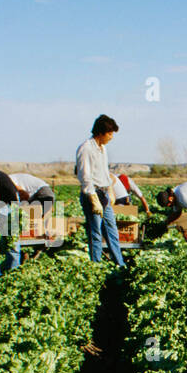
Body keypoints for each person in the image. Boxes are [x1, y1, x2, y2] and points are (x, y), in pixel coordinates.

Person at [74, 114, 124, 266]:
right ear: (100, 133)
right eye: (109, 134)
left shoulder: (103, 149)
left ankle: (119, 264)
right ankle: (96, 266)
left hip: (103, 192)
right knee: (95, 232)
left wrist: (110, 190)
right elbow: (84, 176)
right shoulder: (85, 148)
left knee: (112, 230)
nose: (111, 137)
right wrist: (93, 199)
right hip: (92, 194)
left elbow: (104, 171)